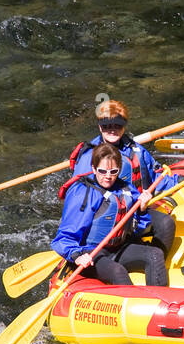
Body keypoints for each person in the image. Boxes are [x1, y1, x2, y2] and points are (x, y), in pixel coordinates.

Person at [52, 143, 167, 286]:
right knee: (117, 271)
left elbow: (138, 230)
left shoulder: (126, 190)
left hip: (117, 249)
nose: (108, 176)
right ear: (93, 169)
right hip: (90, 253)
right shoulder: (83, 194)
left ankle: (157, 304)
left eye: (113, 171)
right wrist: (77, 256)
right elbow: (62, 238)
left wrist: (142, 210)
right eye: (102, 171)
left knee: (155, 255)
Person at [69, 100, 177, 253]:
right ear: (100, 127)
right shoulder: (90, 157)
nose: (112, 130)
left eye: (117, 125)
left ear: (124, 126)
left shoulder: (136, 150)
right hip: (104, 217)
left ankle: (155, 262)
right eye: (107, 126)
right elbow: (79, 197)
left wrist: (182, 180)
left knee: (166, 223)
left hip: (137, 212)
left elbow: (155, 178)